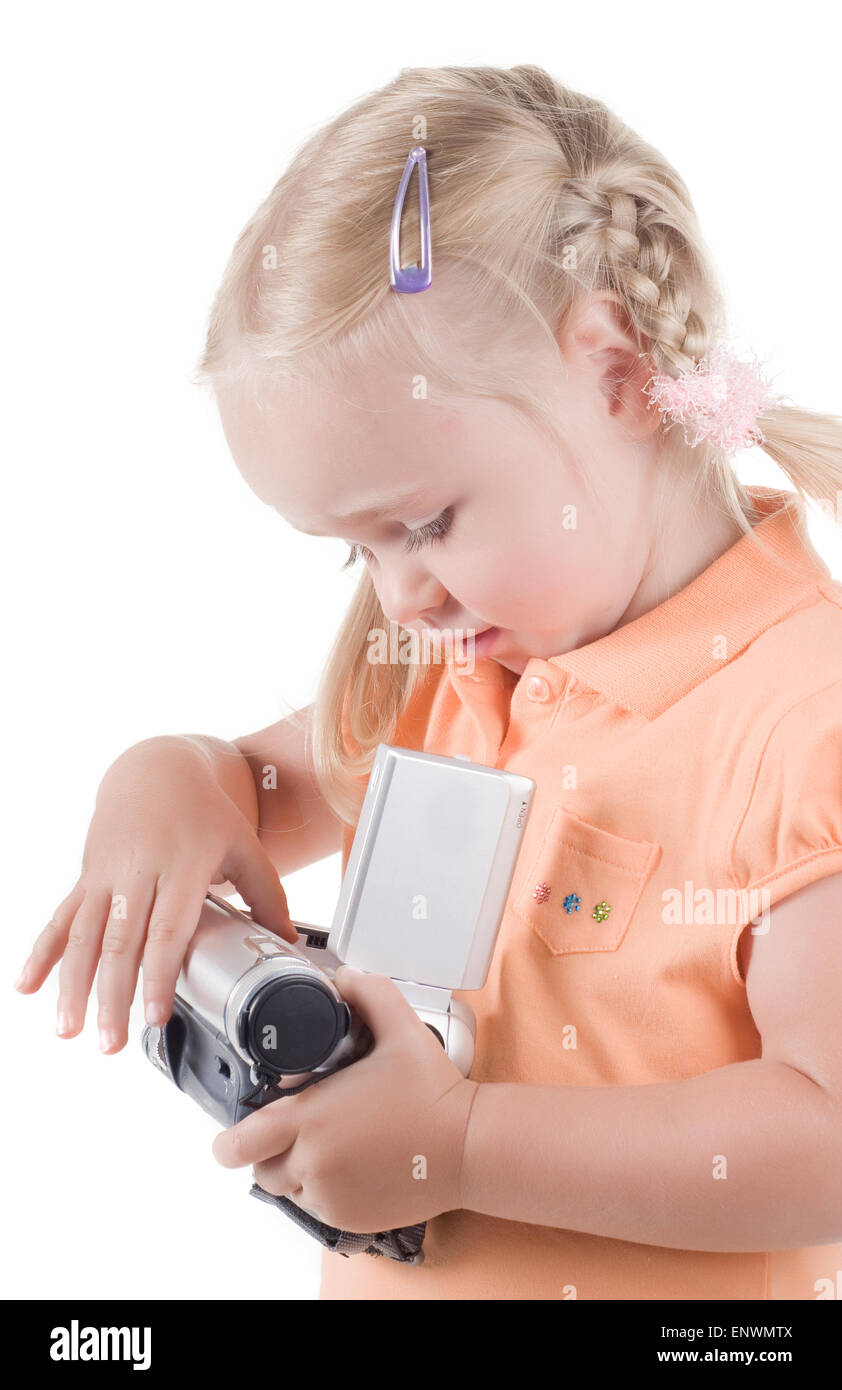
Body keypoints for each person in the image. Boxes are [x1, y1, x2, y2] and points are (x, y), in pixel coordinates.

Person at [16, 65, 842, 1300]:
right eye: (359, 549)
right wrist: (163, 779)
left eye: (424, 521)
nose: (397, 594)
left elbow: (821, 1136)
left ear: (612, 375)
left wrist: (457, 1145)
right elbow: (246, 785)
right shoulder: (461, 670)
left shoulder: (800, 718)